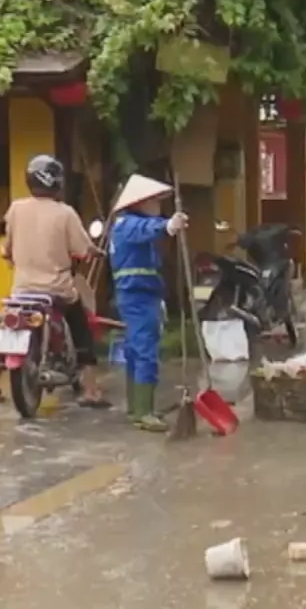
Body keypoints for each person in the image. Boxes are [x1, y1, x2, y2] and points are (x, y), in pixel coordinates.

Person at [0, 154, 107, 408]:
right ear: (57, 182)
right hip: (56, 290)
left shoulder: (16, 209)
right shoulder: (65, 213)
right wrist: (94, 251)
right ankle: (91, 389)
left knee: (7, 327)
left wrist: (10, 254)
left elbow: (6, 247)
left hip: (22, 290)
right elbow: (83, 248)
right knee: (81, 328)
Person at [106, 173, 189, 430]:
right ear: (140, 202)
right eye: (153, 201)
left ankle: (137, 408)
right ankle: (144, 412)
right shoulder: (128, 224)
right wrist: (167, 226)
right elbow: (148, 229)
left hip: (142, 295)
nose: (158, 205)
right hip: (137, 296)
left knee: (135, 350)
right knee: (144, 352)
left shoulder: (127, 225)